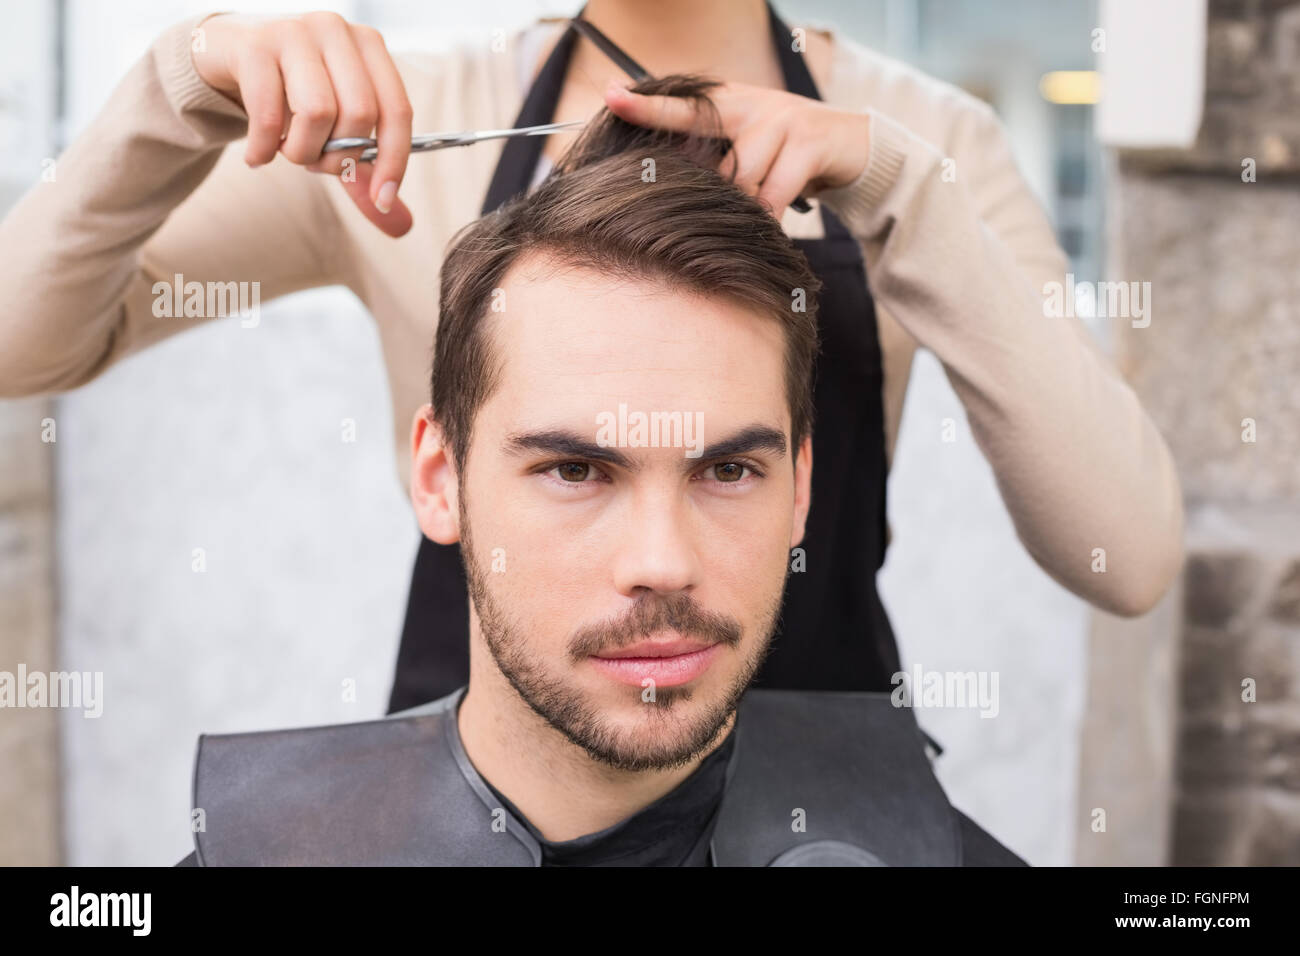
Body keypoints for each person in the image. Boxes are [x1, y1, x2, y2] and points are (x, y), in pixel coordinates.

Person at [0, 2, 1184, 714]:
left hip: (827, 805)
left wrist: (899, 194)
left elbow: (1124, 553)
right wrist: (180, 84)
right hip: (470, 799)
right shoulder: (410, 116)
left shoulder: (927, 146)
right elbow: (23, 340)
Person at [177, 94, 1025, 865]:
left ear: (799, 490)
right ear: (441, 480)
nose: (661, 563)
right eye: (576, 470)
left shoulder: (926, 849)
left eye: (729, 470)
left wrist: (906, 173)